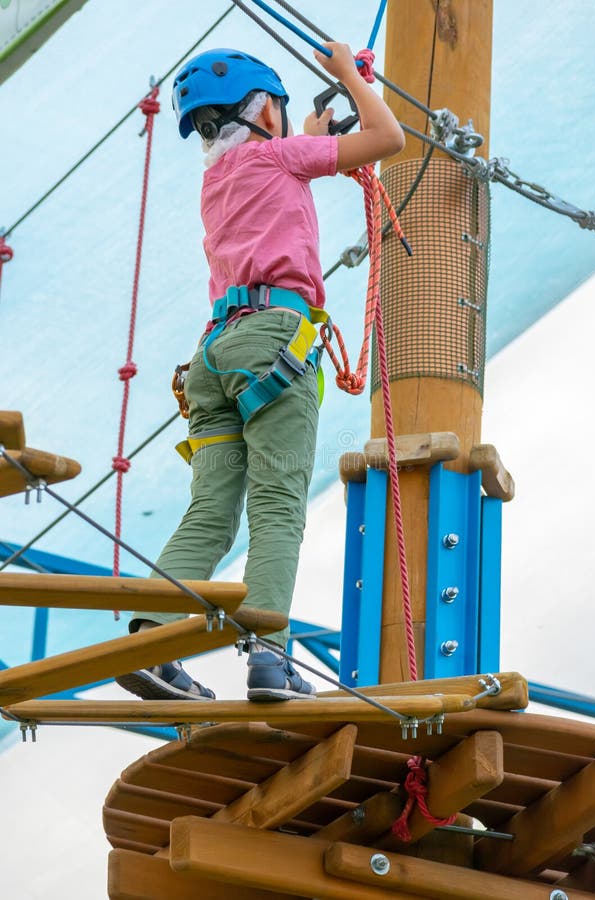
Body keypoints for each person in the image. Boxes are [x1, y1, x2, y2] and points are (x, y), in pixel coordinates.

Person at [116, 42, 405, 703]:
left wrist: (305, 141)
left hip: (214, 357)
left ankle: (150, 642)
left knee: (211, 510)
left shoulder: (216, 181)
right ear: (262, 112)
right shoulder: (279, 157)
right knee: (277, 504)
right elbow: (386, 137)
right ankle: (271, 660)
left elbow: (280, 176)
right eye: (275, 105)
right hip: (274, 342)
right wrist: (349, 78)